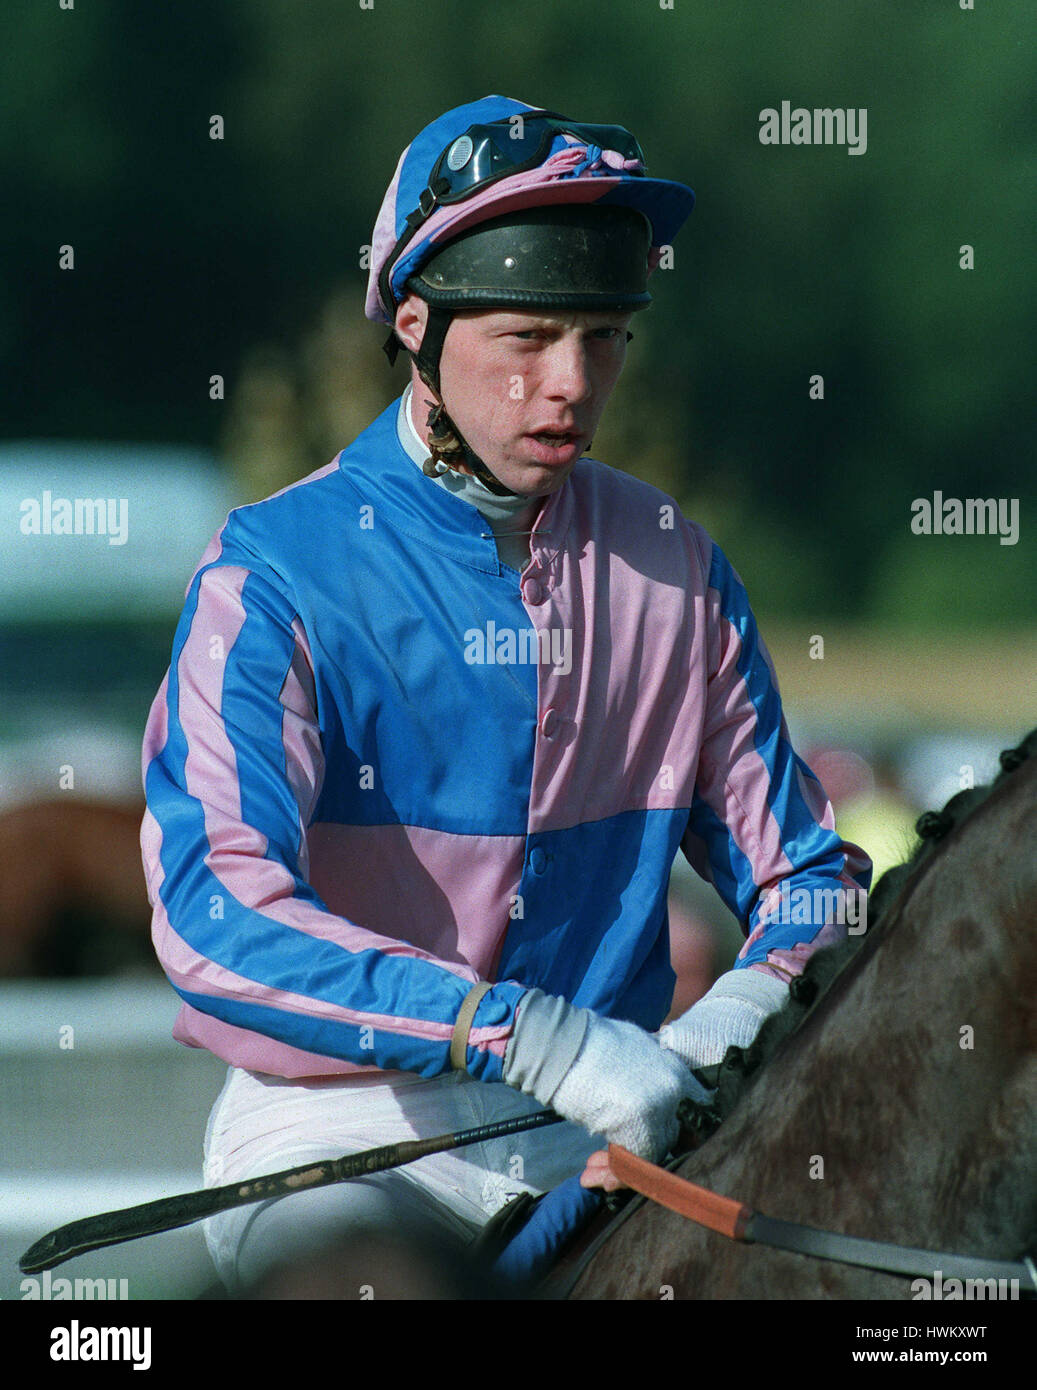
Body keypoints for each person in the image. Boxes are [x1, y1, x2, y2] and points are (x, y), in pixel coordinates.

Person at [140, 95, 871, 1293]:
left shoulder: (676, 562)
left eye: (603, 339)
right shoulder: (270, 574)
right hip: (345, 1141)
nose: (570, 385)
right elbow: (216, 914)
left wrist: (728, 1018)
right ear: (416, 330)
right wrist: (521, 1033)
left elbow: (810, 883)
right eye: (527, 338)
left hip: (619, 1119)